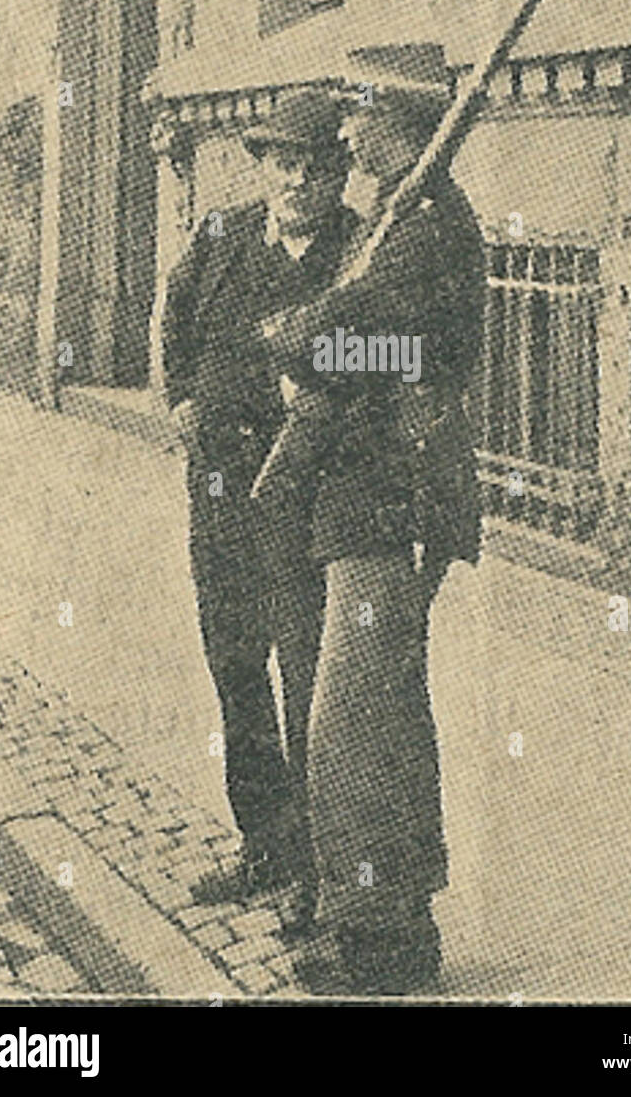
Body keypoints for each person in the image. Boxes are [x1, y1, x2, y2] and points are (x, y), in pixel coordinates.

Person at [259, 73, 486, 992]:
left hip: (396, 501)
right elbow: (386, 346)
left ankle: (378, 942)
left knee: (351, 724)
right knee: (376, 716)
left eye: (358, 116)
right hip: (366, 501)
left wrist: (294, 338)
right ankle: (391, 925)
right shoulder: (400, 210)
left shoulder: (425, 223)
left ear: (398, 122)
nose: (345, 135)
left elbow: (387, 342)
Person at [161, 88, 356, 908]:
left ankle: (315, 863)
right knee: (235, 665)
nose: (296, 178)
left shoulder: (355, 253)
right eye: (282, 161)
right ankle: (263, 845)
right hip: (219, 489)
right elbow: (174, 316)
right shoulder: (222, 234)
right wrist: (178, 396)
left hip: (301, 499)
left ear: (338, 175)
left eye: (313, 166)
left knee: (306, 674)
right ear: (264, 166)